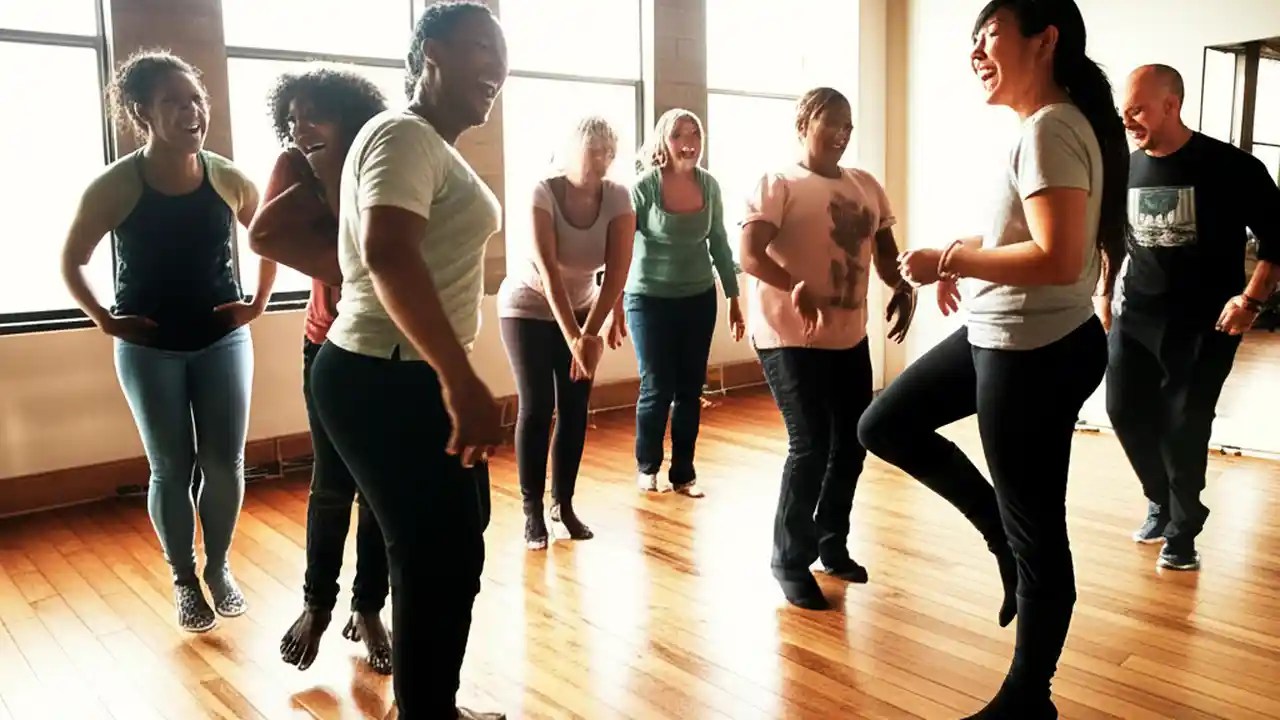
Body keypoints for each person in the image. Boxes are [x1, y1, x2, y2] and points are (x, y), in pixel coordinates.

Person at [856, 1, 1129, 716]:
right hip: (1002, 334)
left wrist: (952, 257)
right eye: (973, 40)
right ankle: (999, 539)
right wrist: (967, 262)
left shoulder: (1051, 130)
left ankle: (1026, 699)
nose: (977, 52)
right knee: (884, 424)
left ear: (1045, 39)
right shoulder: (1048, 128)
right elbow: (1028, 235)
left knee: (1040, 531)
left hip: (1031, 351)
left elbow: (1060, 256)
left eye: (989, 36)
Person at [307, 2, 507, 718]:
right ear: (429, 53)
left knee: (452, 549)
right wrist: (458, 377)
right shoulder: (403, 134)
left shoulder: (426, 145)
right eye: (481, 46)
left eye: (503, 51)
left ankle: (430, 706)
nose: (498, 66)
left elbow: (371, 253)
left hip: (394, 372)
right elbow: (387, 251)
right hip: (385, 376)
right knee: (438, 556)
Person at [60, 50, 274, 633]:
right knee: (170, 468)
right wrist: (106, 319)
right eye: (174, 102)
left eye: (196, 100)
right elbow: (72, 260)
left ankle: (220, 567)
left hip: (221, 341)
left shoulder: (226, 175)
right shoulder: (116, 184)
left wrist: (255, 304)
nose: (191, 111)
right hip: (148, 346)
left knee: (225, 463)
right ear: (142, 112)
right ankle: (184, 579)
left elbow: (267, 236)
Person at [739, 87, 915, 610]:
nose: (842, 133)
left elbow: (885, 256)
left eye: (849, 125)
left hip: (847, 335)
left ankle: (830, 542)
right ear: (803, 123)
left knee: (852, 442)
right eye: (831, 122)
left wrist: (902, 287)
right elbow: (749, 254)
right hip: (787, 335)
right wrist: (792, 283)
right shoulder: (779, 183)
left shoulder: (865, 186)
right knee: (811, 443)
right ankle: (788, 561)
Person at [1103, 64, 1280, 571]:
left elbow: (1278, 236)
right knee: (1123, 410)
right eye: (1123, 111)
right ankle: (1163, 499)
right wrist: (1103, 294)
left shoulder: (1230, 166)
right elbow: (1114, 238)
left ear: (1170, 105)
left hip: (1206, 322)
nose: (1127, 120)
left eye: (1136, 109)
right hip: (1135, 313)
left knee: (1184, 424)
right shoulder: (1127, 167)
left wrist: (1250, 300)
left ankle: (1183, 532)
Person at [246, 64, 392, 674]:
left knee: (382, 491)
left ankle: (368, 609)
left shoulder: (381, 161)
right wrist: (323, 184)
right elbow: (266, 236)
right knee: (333, 483)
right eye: (293, 117)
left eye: (314, 114)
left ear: (349, 114)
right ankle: (317, 606)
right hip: (328, 342)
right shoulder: (295, 170)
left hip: (390, 346)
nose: (300, 126)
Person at [496, 116, 636, 550]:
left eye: (609, 152)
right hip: (527, 306)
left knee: (575, 407)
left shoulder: (617, 197)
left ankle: (564, 505)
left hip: (582, 310)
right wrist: (575, 337)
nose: (602, 160)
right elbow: (549, 273)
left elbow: (615, 274)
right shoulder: (543, 190)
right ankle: (532, 511)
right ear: (572, 151)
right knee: (538, 406)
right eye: (593, 150)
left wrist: (588, 336)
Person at [623, 108, 744, 497]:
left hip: (697, 297)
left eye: (695, 134)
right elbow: (620, 248)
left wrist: (734, 297)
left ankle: (684, 473)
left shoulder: (709, 186)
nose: (688, 142)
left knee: (691, 388)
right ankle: (648, 466)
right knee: (657, 384)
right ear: (664, 141)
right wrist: (609, 310)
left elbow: (721, 244)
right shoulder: (643, 187)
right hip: (648, 299)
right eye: (679, 135)